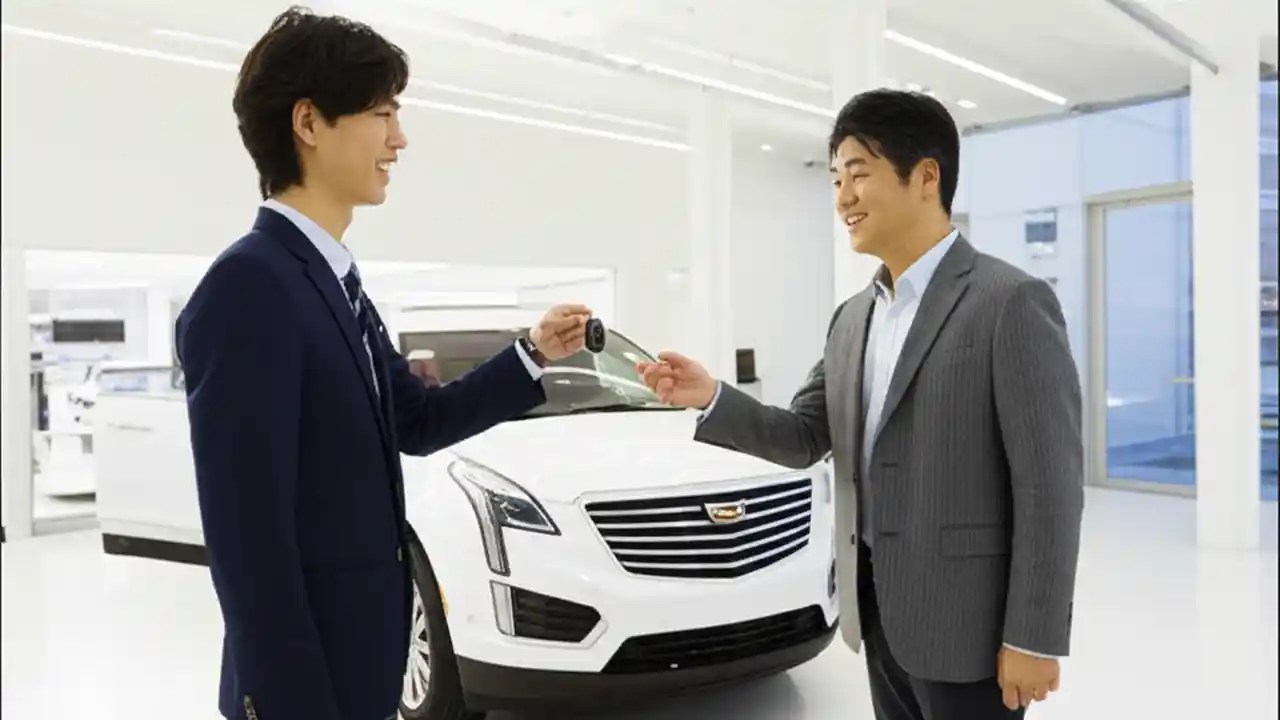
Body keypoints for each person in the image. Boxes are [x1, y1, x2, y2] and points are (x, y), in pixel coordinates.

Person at [174, 8, 590, 719]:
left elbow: (417, 421)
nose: (399, 139)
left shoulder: (334, 283)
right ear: (308, 123)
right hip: (308, 688)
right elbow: (250, 545)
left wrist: (530, 354)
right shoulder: (250, 288)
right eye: (381, 113)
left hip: (365, 664)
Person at [637, 89, 1083, 720]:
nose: (843, 197)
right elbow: (801, 435)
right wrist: (710, 397)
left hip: (971, 629)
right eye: (835, 178)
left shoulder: (1009, 301)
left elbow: (1050, 486)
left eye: (859, 174)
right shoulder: (853, 319)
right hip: (878, 614)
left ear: (926, 176)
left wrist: (1033, 635)